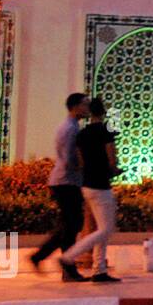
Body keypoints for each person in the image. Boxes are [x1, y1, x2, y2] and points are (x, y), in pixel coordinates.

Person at [59, 98, 122, 283]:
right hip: (101, 185)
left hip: (87, 185)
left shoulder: (82, 133)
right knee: (105, 229)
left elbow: (80, 163)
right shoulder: (106, 132)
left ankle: (99, 270)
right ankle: (69, 256)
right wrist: (114, 170)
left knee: (102, 229)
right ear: (103, 112)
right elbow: (112, 159)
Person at [31, 93, 90, 278]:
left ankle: (64, 266)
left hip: (67, 181)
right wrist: (85, 167)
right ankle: (60, 264)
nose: (88, 108)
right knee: (71, 225)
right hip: (66, 182)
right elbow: (69, 159)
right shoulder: (70, 129)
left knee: (70, 226)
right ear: (75, 107)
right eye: (85, 104)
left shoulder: (71, 127)